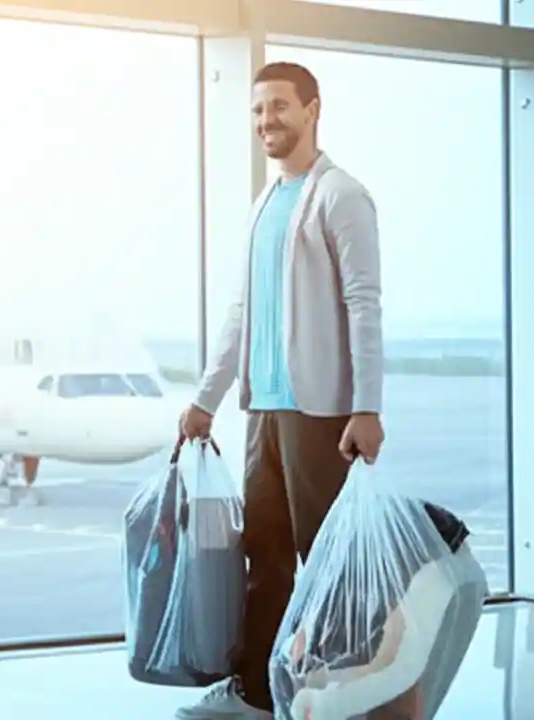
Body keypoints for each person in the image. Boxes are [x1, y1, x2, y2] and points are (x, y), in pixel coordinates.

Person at [174, 61, 384, 719]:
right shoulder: (266, 205)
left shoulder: (340, 195)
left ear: (312, 109)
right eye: (259, 110)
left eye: (280, 107)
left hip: (318, 411)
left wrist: (368, 406)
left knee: (324, 562)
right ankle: (258, 691)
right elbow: (242, 312)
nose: (267, 121)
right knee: (263, 557)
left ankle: (343, 690)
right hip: (263, 407)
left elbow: (364, 302)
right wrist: (207, 399)